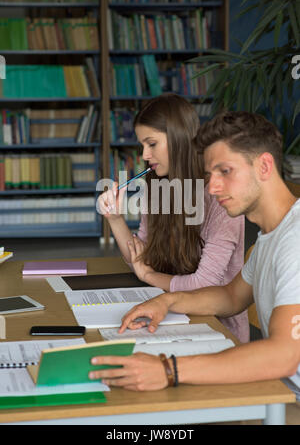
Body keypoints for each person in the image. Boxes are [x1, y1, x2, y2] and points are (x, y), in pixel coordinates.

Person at [90, 111, 300, 400]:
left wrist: (168, 370)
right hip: (276, 393)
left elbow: (283, 356)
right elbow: (231, 297)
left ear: (264, 166)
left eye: (225, 171)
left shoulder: (295, 240)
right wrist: (167, 300)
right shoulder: (271, 235)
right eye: (210, 174)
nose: (212, 188)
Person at [98, 94, 248, 343]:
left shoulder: (221, 198)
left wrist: (149, 277)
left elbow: (203, 286)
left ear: (179, 140)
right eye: (142, 145)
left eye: (152, 144)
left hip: (217, 331)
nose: (145, 155)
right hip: (171, 317)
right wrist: (115, 219)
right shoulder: (158, 185)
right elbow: (141, 256)